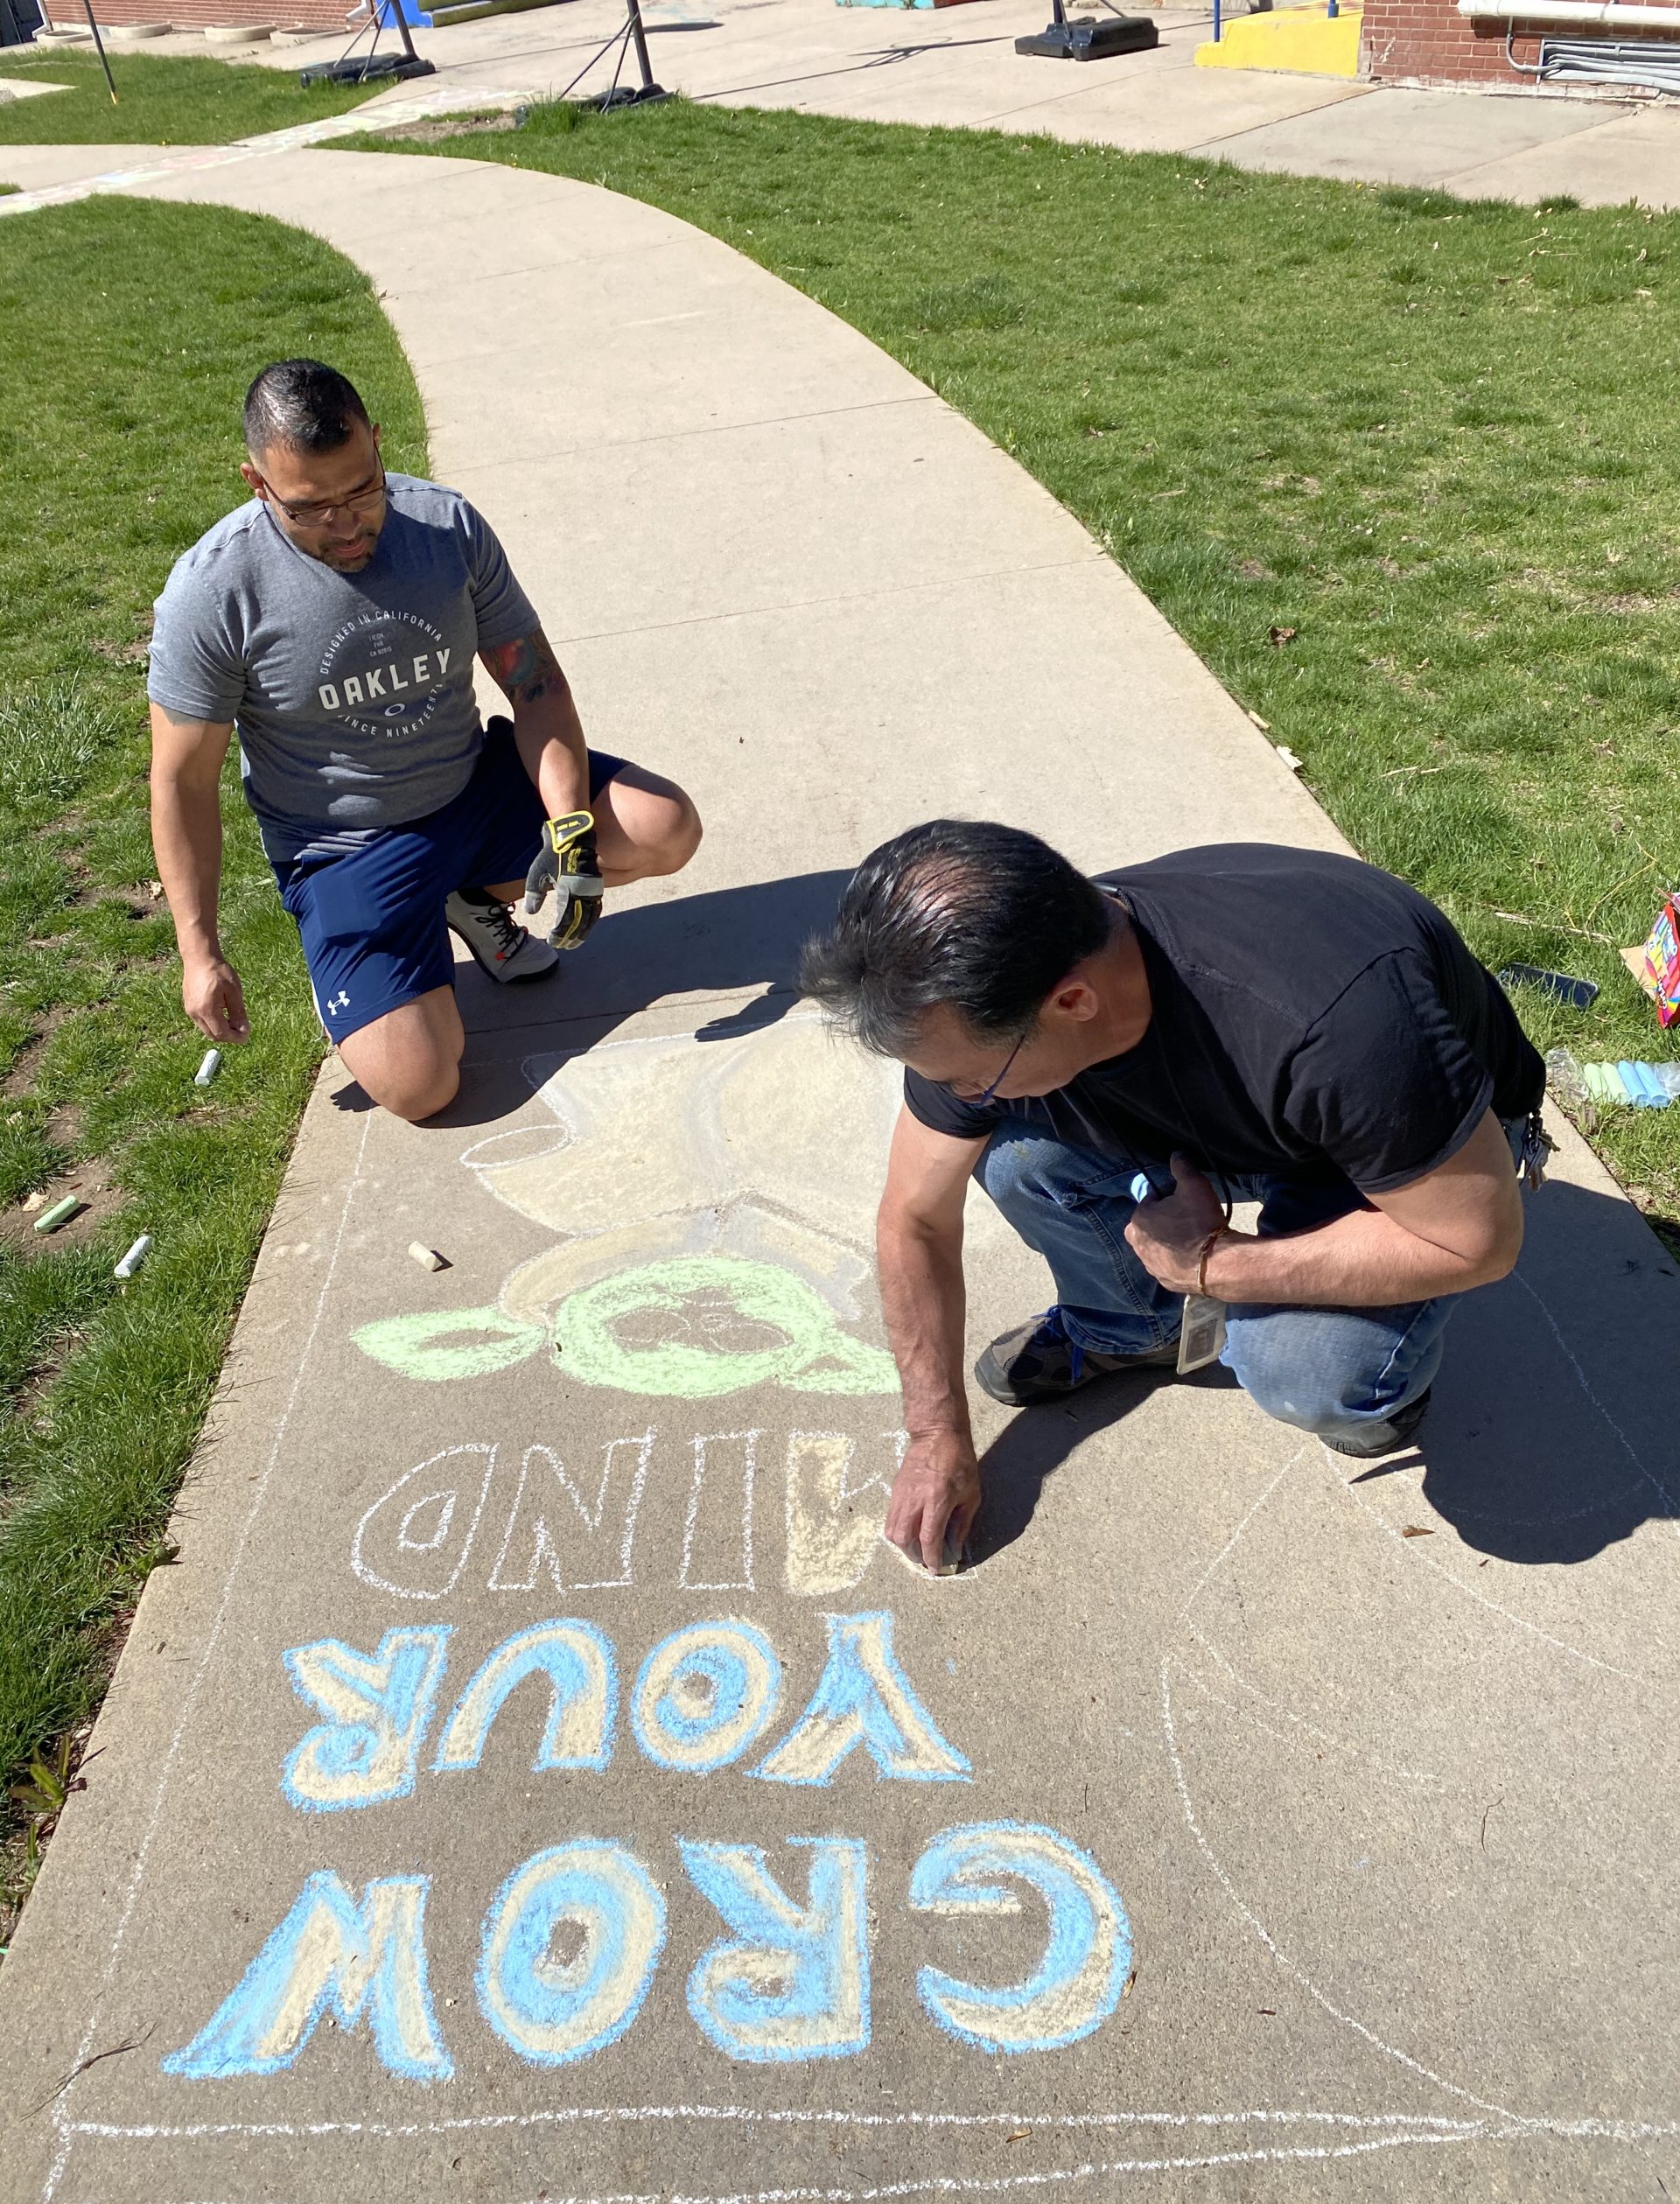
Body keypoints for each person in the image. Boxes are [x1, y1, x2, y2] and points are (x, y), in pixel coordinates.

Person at [798, 822, 1548, 1572]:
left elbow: (1477, 1242)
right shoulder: (991, 982)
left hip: (1403, 1155)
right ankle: (1137, 1331)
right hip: (1249, 1120)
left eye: (973, 1079)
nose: (959, 1093)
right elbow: (916, 1218)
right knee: (1016, 1159)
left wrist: (1212, 1266)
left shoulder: (1337, 1026)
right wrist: (934, 1433)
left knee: (1306, 1372)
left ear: (1072, 1001)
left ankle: (1382, 1394)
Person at [148, 359, 700, 1121]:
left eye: (362, 490)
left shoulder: (445, 526)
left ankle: (466, 899)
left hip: (470, 791)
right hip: (346, 848)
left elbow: (535, 685)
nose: (347, 524)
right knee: (422, 1086)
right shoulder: (213, 590)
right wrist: (198, 949)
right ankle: (386, 947)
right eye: (311, 508)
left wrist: (570, 826)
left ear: (377, 443)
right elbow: (182, 781)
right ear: (257, 484)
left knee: (663, 827)